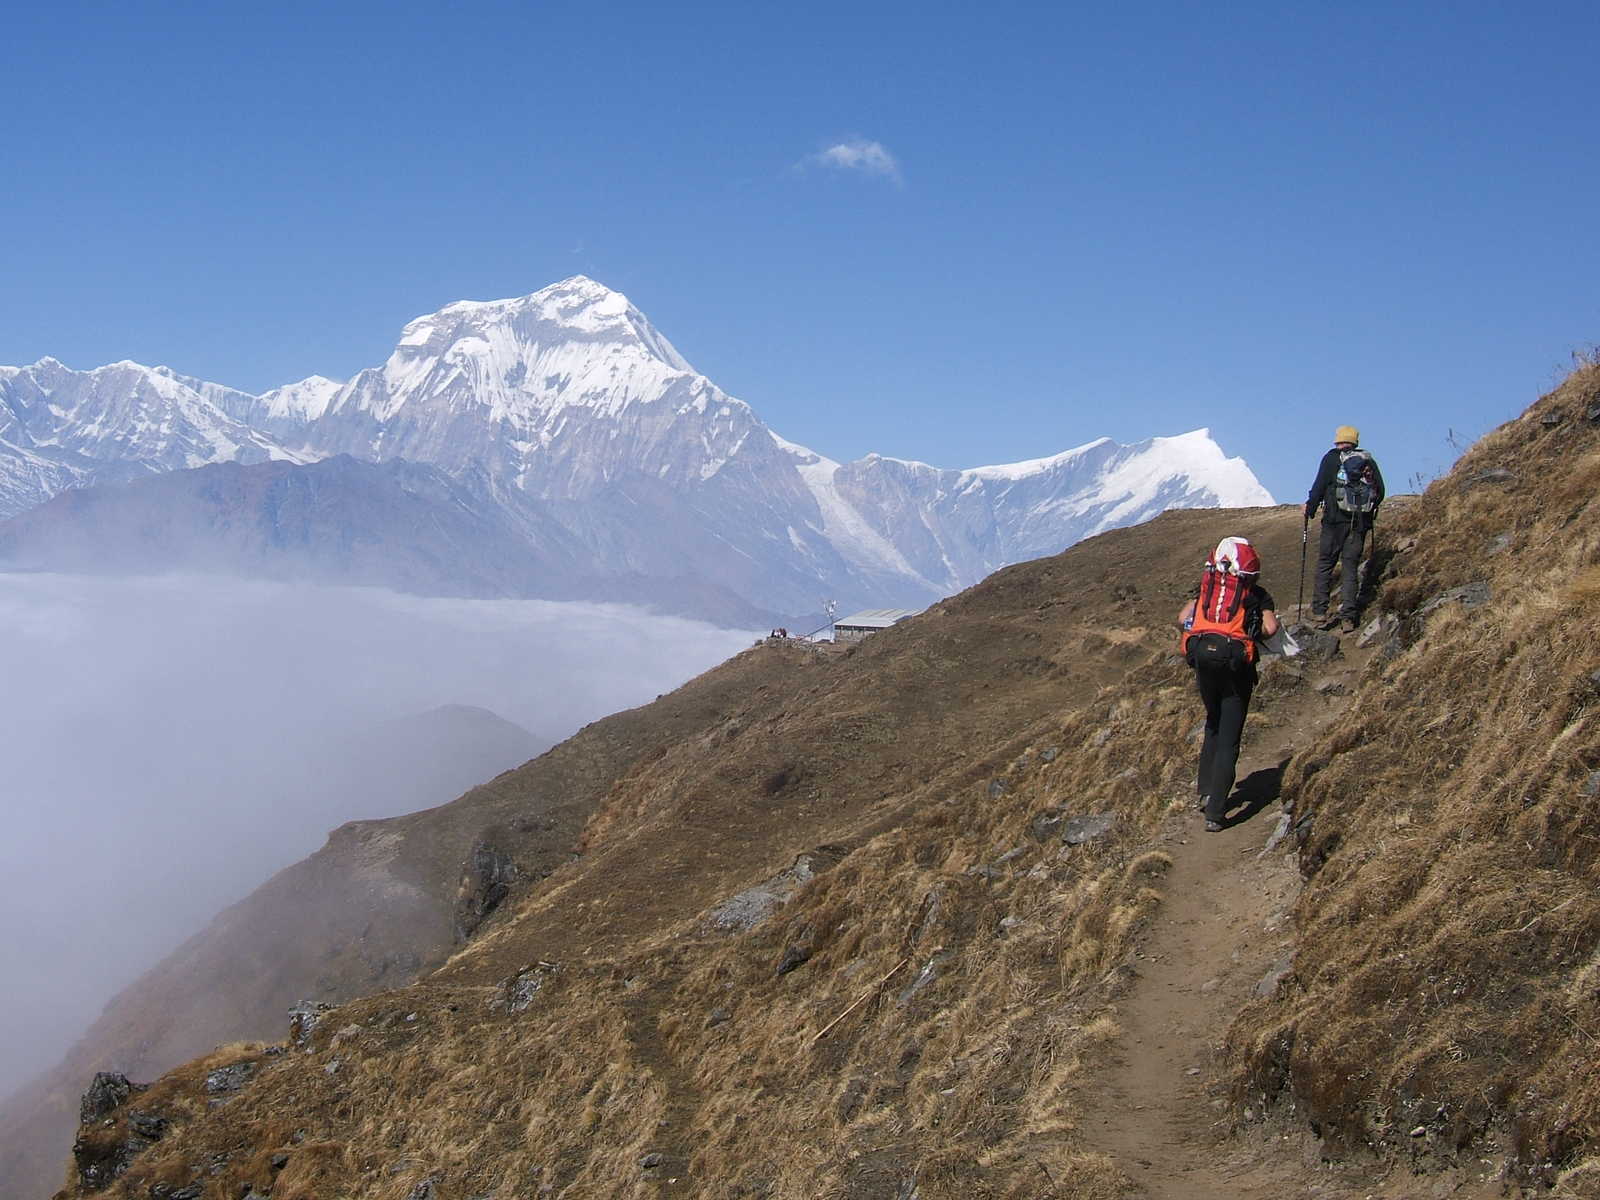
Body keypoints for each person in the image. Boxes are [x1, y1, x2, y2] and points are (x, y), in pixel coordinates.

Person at [1178, 537, 1279, 832]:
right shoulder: (1256, 595)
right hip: (1236, 669)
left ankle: (1205, 791)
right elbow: (1270, 629)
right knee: (1229, 737)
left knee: (1213, 721)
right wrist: (1253, 627)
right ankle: (1216, 812)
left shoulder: (1209, 589)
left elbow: (1183, 617)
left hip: (1204, 664)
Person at [1304, 425, 1385, 632]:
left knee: (1325, 565)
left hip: (1334, 522)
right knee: (1350, 568)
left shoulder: (1331, 458)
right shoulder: (1367, 460)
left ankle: (1319, 613)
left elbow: (1319, 486)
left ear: (1338, 440)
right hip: (1358, 524)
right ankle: (1348, 617)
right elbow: (1381, 491)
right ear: (1355, 441)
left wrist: (1310, 510)